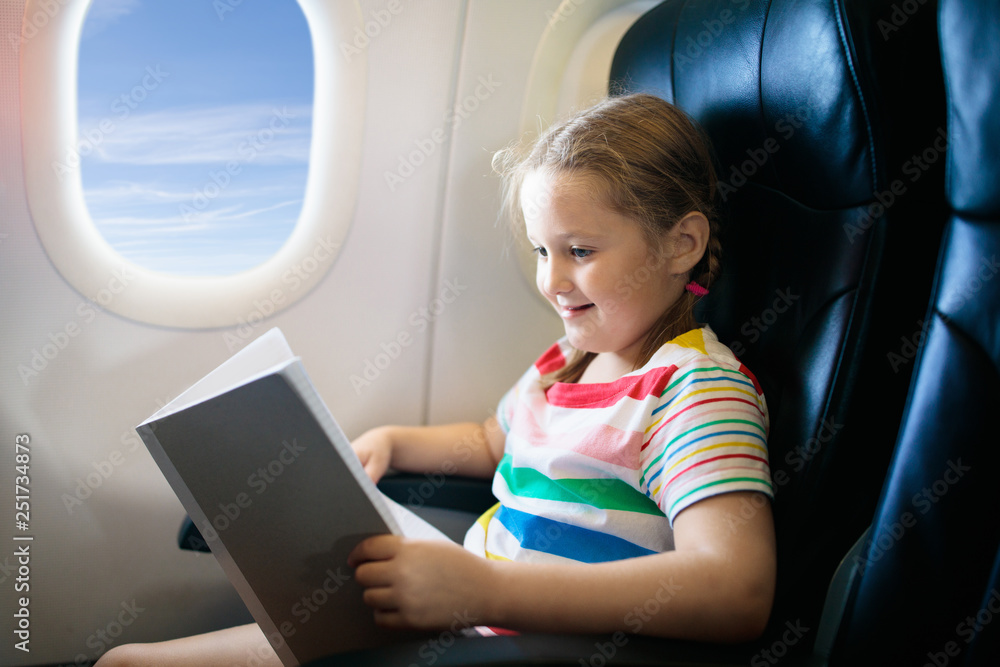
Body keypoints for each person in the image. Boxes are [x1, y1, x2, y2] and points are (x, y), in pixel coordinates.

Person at [96, 93, 775, 666]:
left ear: (681, 243)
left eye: (580, 251)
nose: (552, 279)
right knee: (124, 662)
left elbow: (734, 589)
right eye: (542, 250)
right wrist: (393, 440)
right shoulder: (564, 364)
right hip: (463, 616)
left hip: (525, 641)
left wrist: (485, 591)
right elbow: (490, 440)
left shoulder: (695, 392)